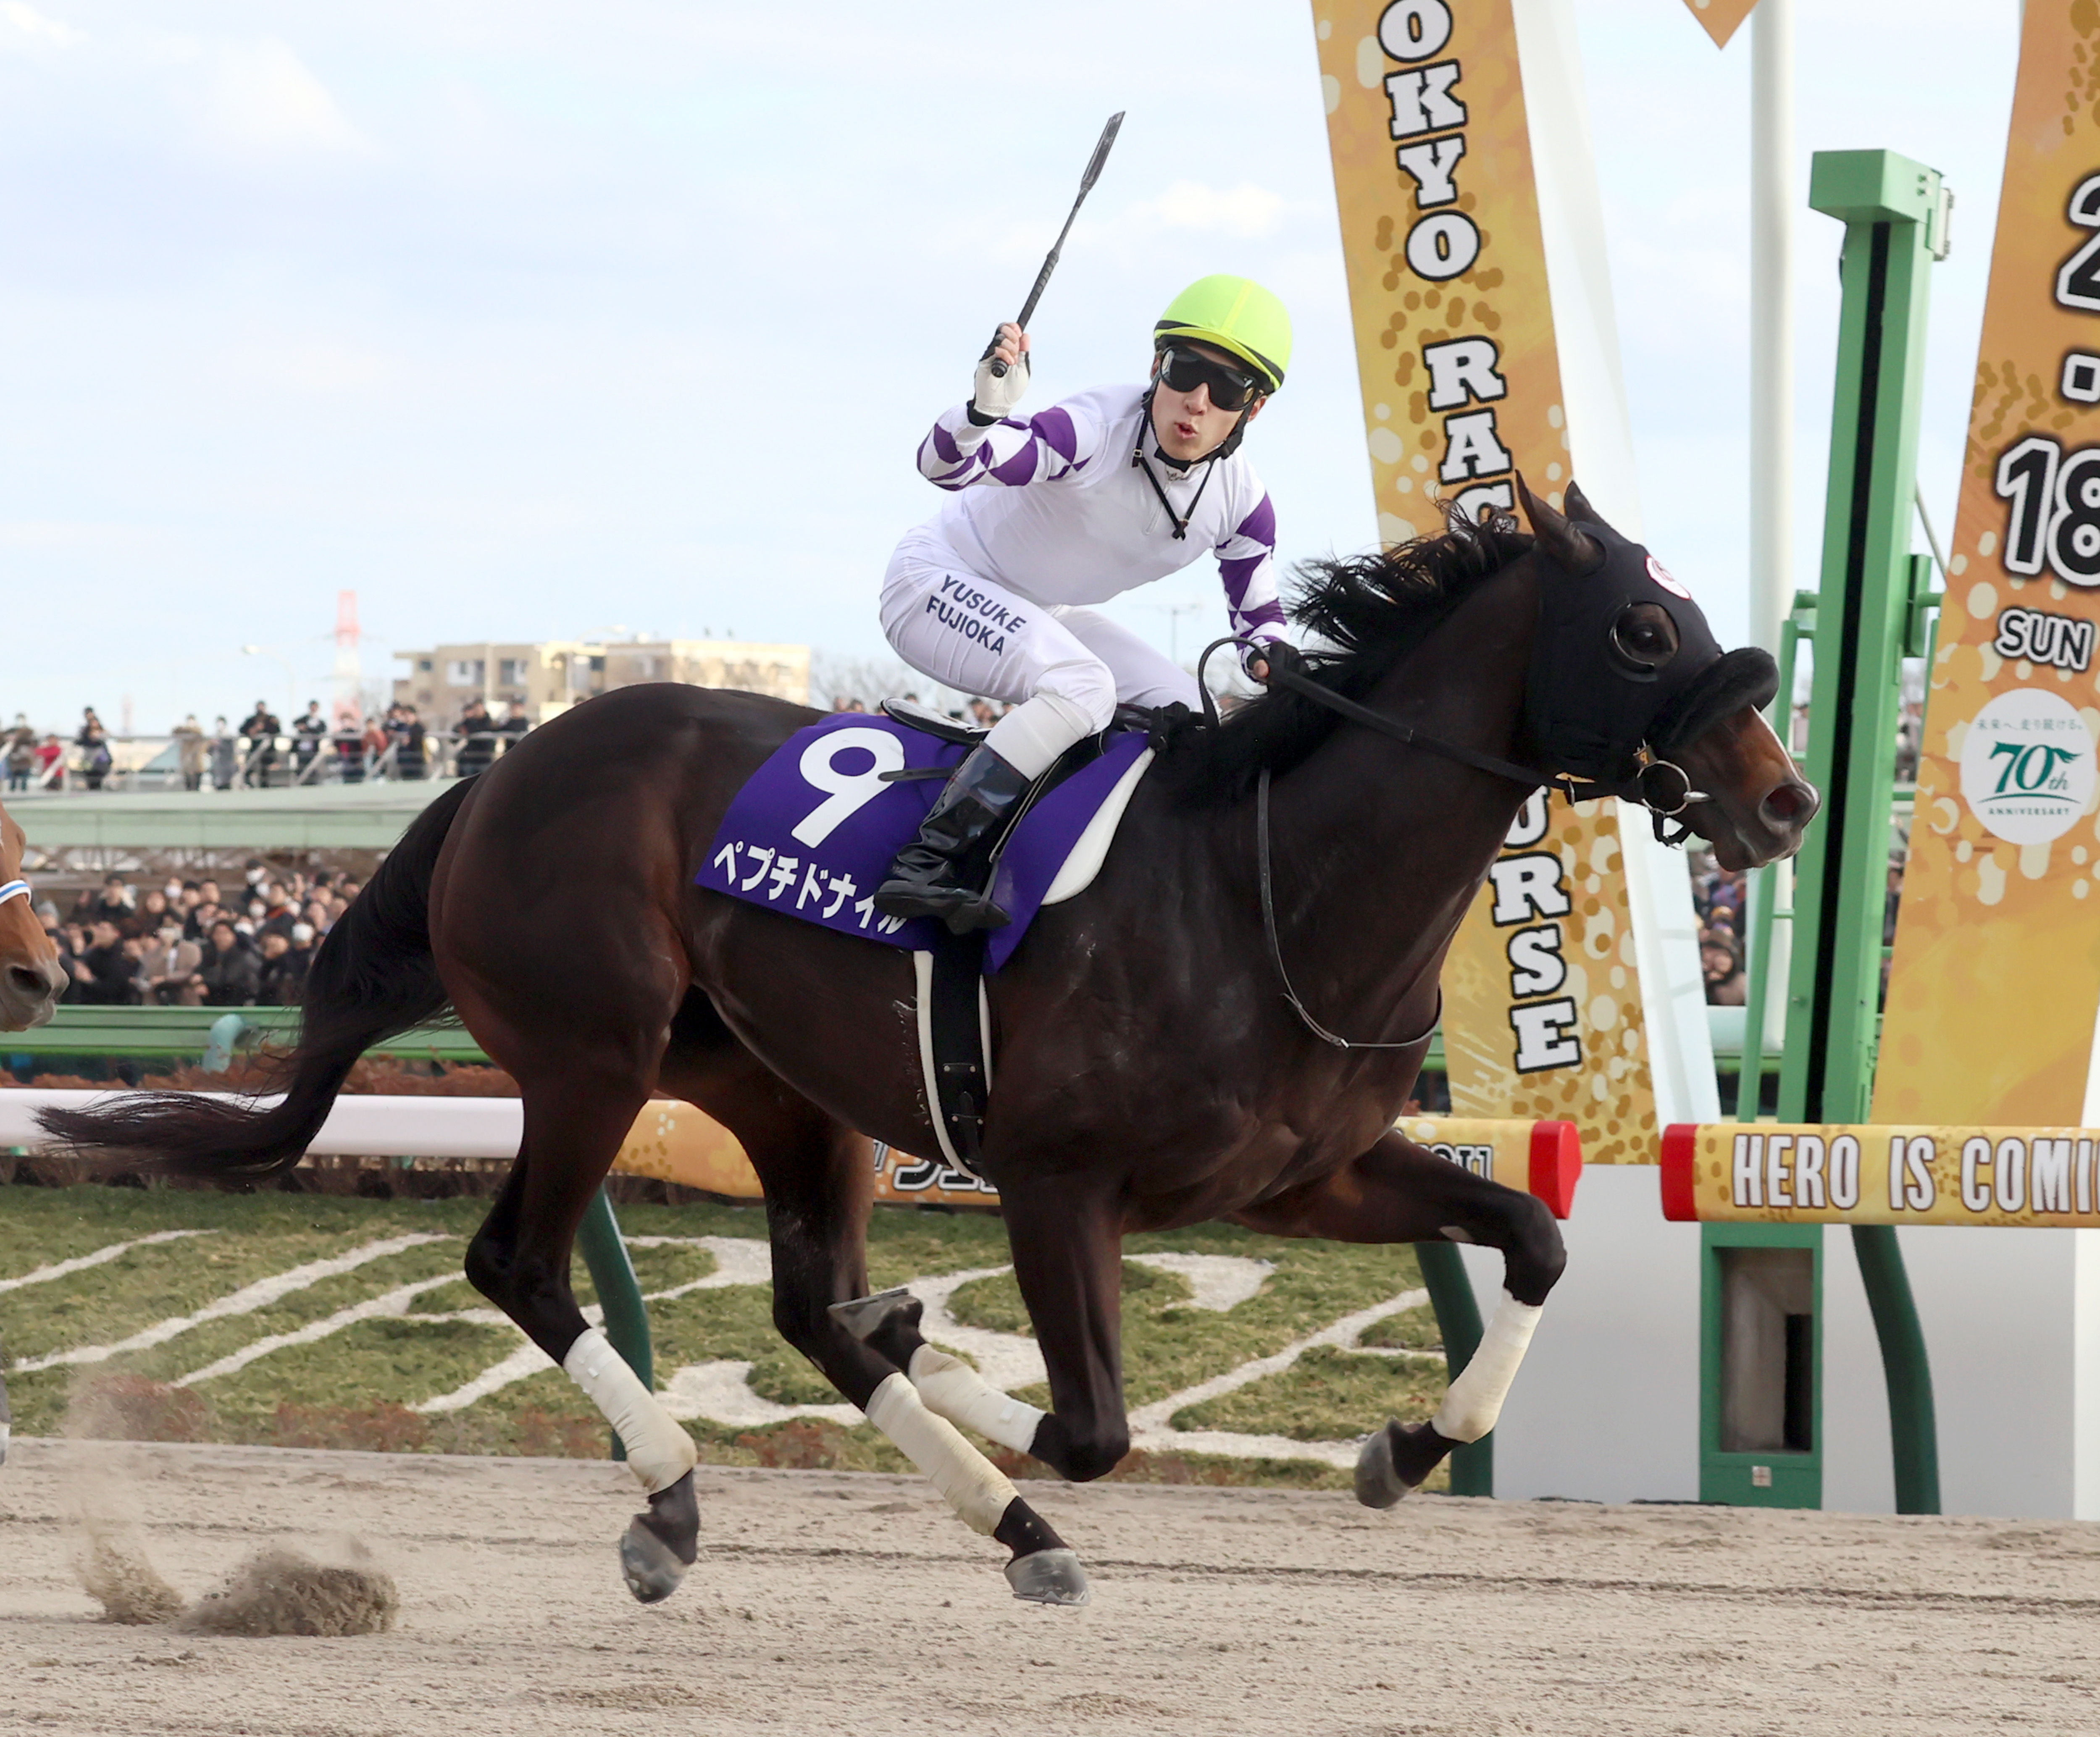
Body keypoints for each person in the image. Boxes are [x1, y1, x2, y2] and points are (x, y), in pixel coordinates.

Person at [873, 276, 1293, 929]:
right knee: (1081, 686)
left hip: (1042, 611)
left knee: (1192, 715)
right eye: (1185, 372)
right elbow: (941, 468)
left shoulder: (1243, 504)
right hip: (934, 581)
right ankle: (926, 864)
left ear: (1253, 409)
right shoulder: (1090, 429)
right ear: (1157, 367)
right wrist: (981, 412)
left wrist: (1281, 666)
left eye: (1228, 389)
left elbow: (1259, 629)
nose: (1196, 403)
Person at [194, 920, 260, 1006]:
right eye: (217, 933)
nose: (221, 937)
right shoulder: (209, 954)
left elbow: (230, 979)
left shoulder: (241, 956)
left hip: (235, 1000)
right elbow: (200, 970)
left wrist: (206, 982)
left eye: (225, 933)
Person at [141, 922, 203, 1006]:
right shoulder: (153, 954)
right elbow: (150, 973)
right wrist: (164, 953)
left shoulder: (191, 949)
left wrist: (166, 978)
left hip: (183, 986)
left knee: (187, 992)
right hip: (159, 990)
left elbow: (190, 971)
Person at [238, 701, 281, 786]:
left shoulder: (270, 720)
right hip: (255, 749)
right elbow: (242, 730)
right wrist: (254, 729)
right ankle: (249, 785)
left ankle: (265, 786)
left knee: (265, 771)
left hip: (268, 750)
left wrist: (275, 723)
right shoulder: (251, 720)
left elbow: (277, 731)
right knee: (249, 768)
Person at [453, 697, 496, 777]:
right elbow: (456, 732)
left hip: (485, 759)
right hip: (470, 759)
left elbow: (484, 730)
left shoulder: (489, 722)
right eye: (476, 708)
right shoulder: (468, 722)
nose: (478, 710)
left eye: (480, 708)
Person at [76, 707, 113, 790]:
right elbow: (79, 742)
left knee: (98, 779)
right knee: (90, 779)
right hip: (89, 760)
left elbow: (106, 736)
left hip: (100, 761)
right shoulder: (85, 732)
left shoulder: (102, 734)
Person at [292, 701, 328, 779]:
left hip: (313, 749)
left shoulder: (320, 722)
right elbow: (295, 723)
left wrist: (307, 728)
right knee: (301, 767)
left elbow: (321, 731)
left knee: (312, 768)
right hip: (302, 748)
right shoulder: (305, 719)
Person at [171, 714, 208, 791]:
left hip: (197, 763)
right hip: (187, 764)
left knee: (196, 785)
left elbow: (199, 733)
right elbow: (175, 732)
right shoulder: (184, 732)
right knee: (188, 785)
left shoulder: (198, 732)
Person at [5, 715, 35, 792]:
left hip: (25, 762)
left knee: (24, 779)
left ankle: (23, 792)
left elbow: (32, 745)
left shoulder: (29, 732)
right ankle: (12, 792)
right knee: (13, 779)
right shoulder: (11, 733)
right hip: (14, 762)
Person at [208, 716, 237, 790]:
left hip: (227, 763)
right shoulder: (214, 736)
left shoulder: (229, 736)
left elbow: (232, 750)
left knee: (227, 783)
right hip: (217, 763)